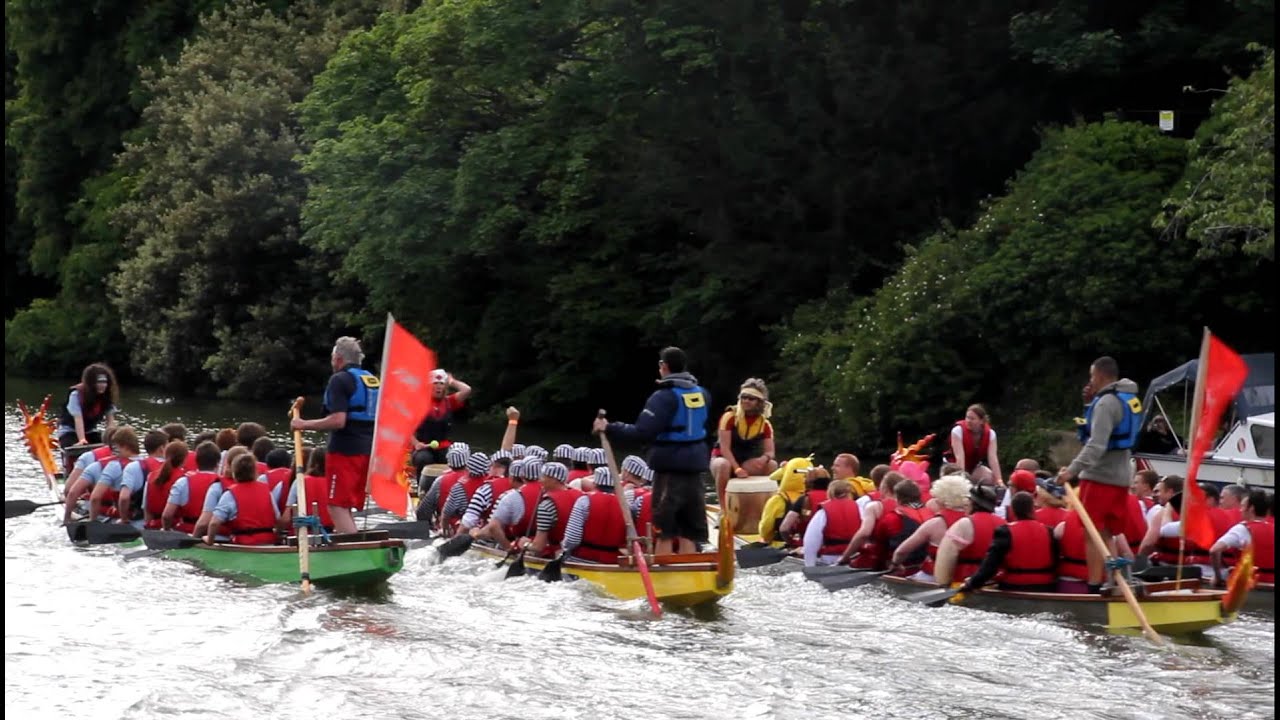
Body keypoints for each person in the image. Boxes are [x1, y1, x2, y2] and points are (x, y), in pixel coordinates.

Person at [593, 346, 711, 555]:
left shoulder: (663, 397)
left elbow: (642, 432)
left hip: (670, 469)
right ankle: (690, 566)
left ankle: (664, 570)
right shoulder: (703, 394)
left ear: (663, 367)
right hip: (695, 468)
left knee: (664, 528)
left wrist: (610, 427)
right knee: (689, 529)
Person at [1055, 356, 1142, 592]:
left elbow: (1096, 444)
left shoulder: (1105, 403)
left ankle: (1095, 585)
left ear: (1101, 376)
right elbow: (1096, 429)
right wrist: (1087, 404)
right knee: (1107, 533)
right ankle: (1114, 583)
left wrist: (1071, 471)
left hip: (1100, 477)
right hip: (1122, 477)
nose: (1090, 380)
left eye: (1092, 376)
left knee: (1092, 533)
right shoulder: (1127, 397)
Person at [290, 336, 380, 534]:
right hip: (369, 450)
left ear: (338, 358)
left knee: (336, 505)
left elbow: (338, 420)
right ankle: (351, 540)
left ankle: (352, 553)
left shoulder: (339, 380)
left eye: (332, 358)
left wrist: (303, 424)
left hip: (345, 451)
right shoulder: (371, 380)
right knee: (345, 505)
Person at [959, 491, 1058, 593]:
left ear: (1013, 511)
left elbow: (990, 566)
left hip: (1014, 586)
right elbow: (1055, 562)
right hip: (1046, 586)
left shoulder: (1004, 532)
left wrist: (971, 583)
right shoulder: (1049, 531)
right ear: (1033, 509)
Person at [709, 378, 778, 505]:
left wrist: (763, 459)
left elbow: (770, 451)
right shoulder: (729, 417)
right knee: (724, 465)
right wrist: (737, 469)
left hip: (745, 461)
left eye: (751, 398)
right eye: (743, 397)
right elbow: (724, 449)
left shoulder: (765, 424)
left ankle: (763, 506)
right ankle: (724, 508)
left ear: (759, 402)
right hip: (723, 459)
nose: (746, 401)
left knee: (772, 465)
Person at [411, 369, 473, 478]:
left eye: (441, 384)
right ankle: (422, 485)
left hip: (443, 446)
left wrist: (452, 381)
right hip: (423, 446)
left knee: (455, 457)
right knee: (424, 458)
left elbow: (467, 390)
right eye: (435, 383)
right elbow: (405, 430)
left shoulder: (450, 402)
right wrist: (416, 443)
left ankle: (450, 484)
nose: (439, 386)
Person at [1210, 489, 1273, 587]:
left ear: (1251, 508)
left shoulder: (1242, 528)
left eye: (1243, 506)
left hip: (1247, 586)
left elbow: (1214, 550)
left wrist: (1218, 578)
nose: (1240, 510)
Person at [55, 363, 120, 449]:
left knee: (108, 445)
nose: (103, 385)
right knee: (74, 447)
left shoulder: (107, 396)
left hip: (90, 431)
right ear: (91, 383)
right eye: (99, 382)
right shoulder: (76, 395)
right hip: (69, 431)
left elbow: (110, 422)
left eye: (105, 382)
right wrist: (82, 439)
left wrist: (112, 440)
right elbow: (78, 419)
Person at [945, 404, 1003, 486]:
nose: (968, 421)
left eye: (972, 419)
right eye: (967, 417)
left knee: (990, 479)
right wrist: (961, 481)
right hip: (954, 466)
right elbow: (960, 458)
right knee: (957, 484)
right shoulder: (957, 431)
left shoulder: (991, 434)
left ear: (982, 421)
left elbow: (993, 458)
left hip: (973, 467)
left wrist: (999, 480)